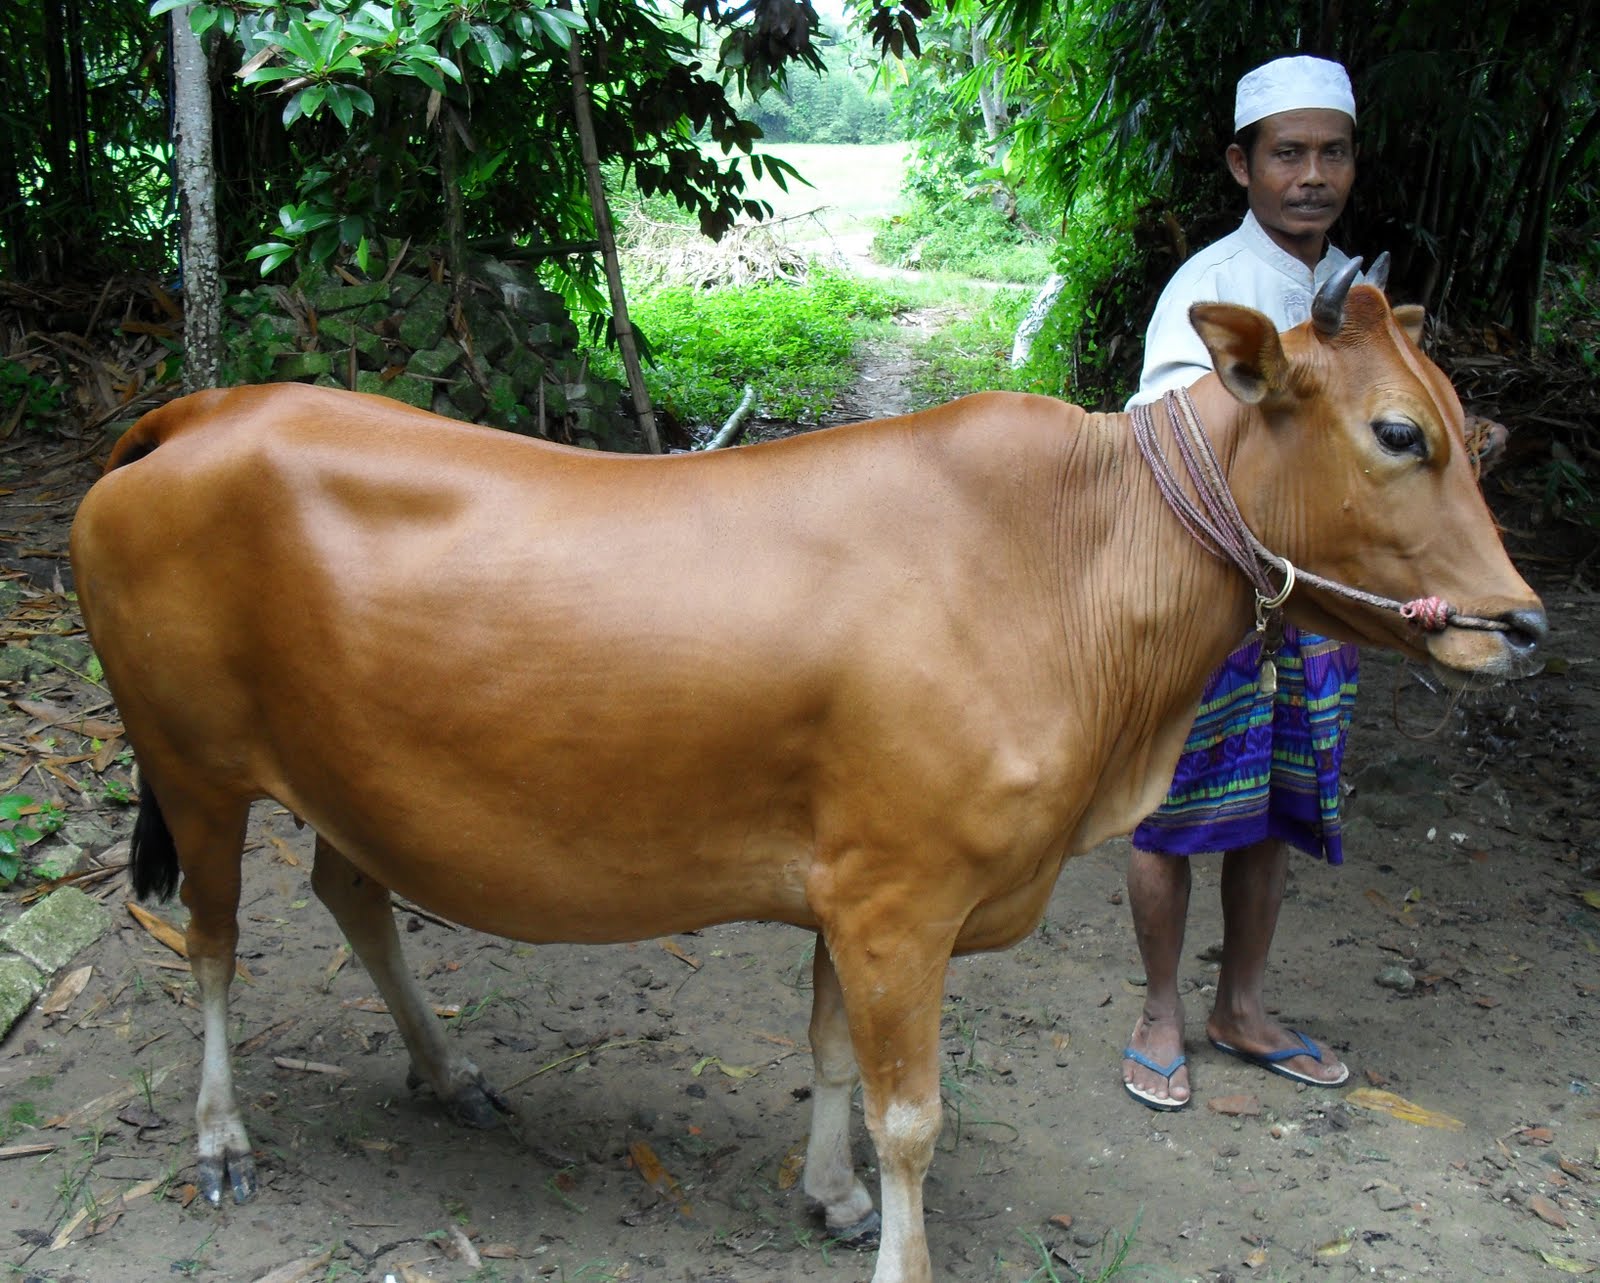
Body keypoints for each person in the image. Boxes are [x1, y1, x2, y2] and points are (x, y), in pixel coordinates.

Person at [1120, 54, 1364, 1111]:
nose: (1311, 175)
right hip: (1214, 606)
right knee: (1171, 812)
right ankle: (1159, 1011)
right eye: (1287, 153)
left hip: (1317, 606)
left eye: (1331, 153)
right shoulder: (1207, 292)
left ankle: (1243, 1005)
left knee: (1273, 808)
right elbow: (1164, 444)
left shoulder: (1355, 290)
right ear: (1242, 164)